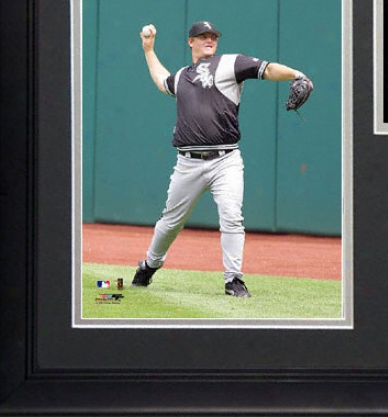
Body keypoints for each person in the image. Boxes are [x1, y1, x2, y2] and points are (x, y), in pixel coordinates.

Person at [131, 20, 313, 297]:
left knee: (231, 217)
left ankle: (234, 280)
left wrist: (295, 74)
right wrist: (148, 50)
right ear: (190, 41)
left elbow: (266, 68)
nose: (209, 39)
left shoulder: (231, 63)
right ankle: (149, 265)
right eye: (202, 36)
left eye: (213, 36)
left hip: (225, 160)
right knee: (170, 223)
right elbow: (161, 81)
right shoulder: (181, 76)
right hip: (187, 163)